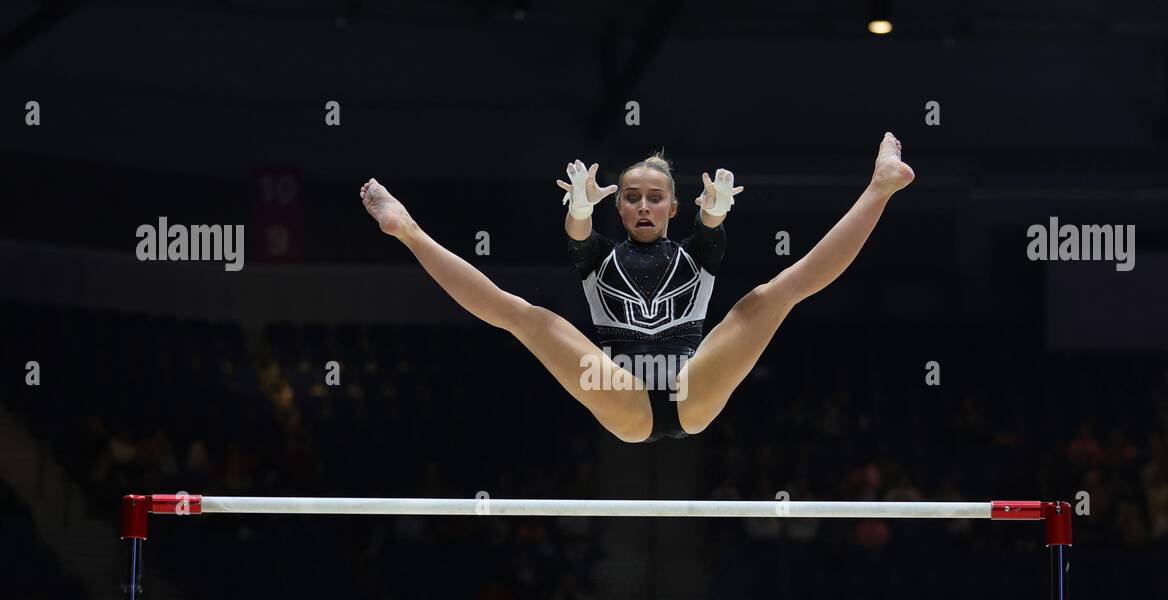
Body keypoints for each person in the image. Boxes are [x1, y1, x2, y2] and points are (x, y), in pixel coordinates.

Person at [360, 133, 913, 443]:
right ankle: (407, 230)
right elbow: (579, 236)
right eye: (631, 197)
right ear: (616, 205)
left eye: (655, 197)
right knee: (525, 317)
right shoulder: (598, 253)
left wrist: (714, 214)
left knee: (775, 293)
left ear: (675, 206)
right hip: (622, 394)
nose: (643, 205)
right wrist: (579, 209)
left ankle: (881, 188)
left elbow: (712, 233)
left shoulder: (698, 249)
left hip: (693, 390)